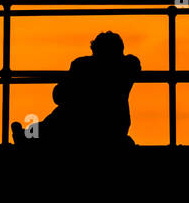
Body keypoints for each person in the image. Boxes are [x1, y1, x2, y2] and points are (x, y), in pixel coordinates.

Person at [12, 31, 140, 147]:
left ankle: (28, 136)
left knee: (63, 116)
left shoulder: (83, 66)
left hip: (79, 127)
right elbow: (133, 62)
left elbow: (59, 96)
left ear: (95, 51)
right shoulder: (126, 67)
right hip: (115, 128)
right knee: (62, 116)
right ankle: (29, 135)